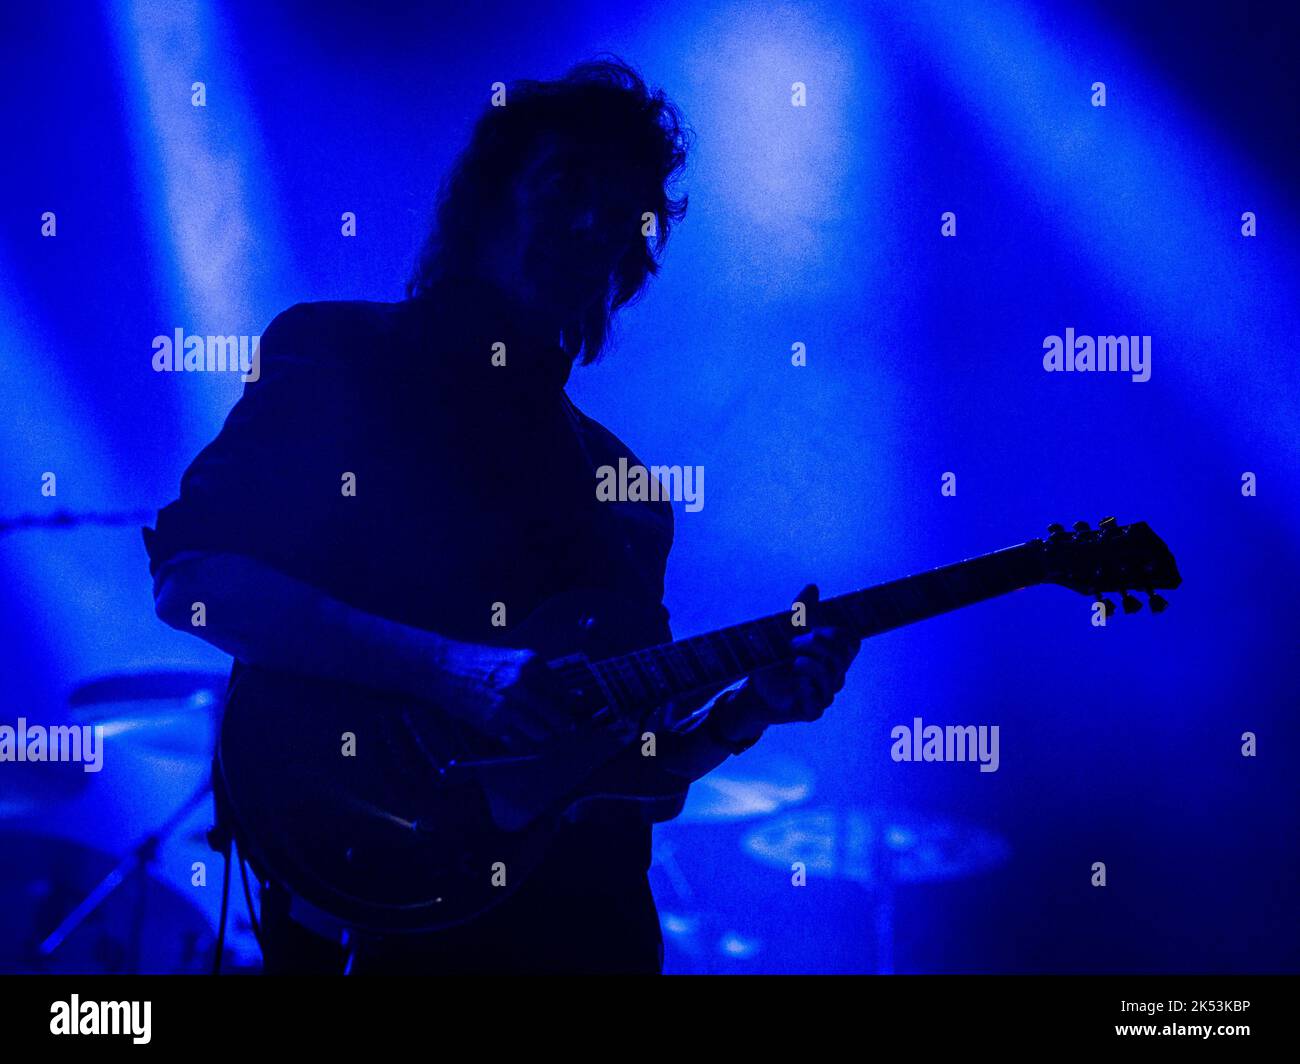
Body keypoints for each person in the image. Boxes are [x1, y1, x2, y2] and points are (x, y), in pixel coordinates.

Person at [145, 56, 860, 974]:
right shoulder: (344, 355)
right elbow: (194, 583)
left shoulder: (625, 484)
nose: (596, 219)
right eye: (568, 182)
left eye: (625, 207)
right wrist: (452, 671)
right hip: (380, 913)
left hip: (590, 931)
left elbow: (625, 770)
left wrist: (747, 712)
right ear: (489, 199)